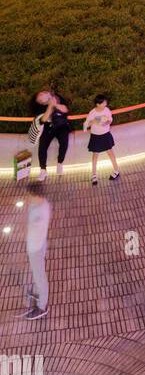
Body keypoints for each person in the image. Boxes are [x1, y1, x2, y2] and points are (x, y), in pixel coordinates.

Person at [21, 186, 51, 321]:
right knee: (37, 273)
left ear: (37, 195)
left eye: (30, 195)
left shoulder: (41, 211)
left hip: (36, 248)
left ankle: (42, 306)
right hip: (34, 245)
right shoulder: (38, 203)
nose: (28, 197)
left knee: (40, 276)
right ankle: (39, 295)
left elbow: (33, 228)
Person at [34, 88, 71, 180]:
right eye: (40, 96)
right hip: (48, 127)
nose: (43, 94)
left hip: (61, 124)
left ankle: (60, 163)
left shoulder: (58, 98)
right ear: (41, 102)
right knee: (42, 146)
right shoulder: (40, 107)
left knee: (64, 142)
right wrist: (50, 107)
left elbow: (65, 110)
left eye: (43, 93)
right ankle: (43, 170)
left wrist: (55, 104)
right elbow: (43, 120)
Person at [83, 94, 120, 185]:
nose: (105, 103)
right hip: (96, 136)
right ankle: (94, 175)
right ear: (98, 104)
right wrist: (92, 122)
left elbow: (110, 119)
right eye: (103, 102)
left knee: (110, 153)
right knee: (95, 155)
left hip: (105, 134)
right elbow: (86, 124)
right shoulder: (92, 113)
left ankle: (116, 170)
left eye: (105, 102)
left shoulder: (107, 110)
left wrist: (107, 121)